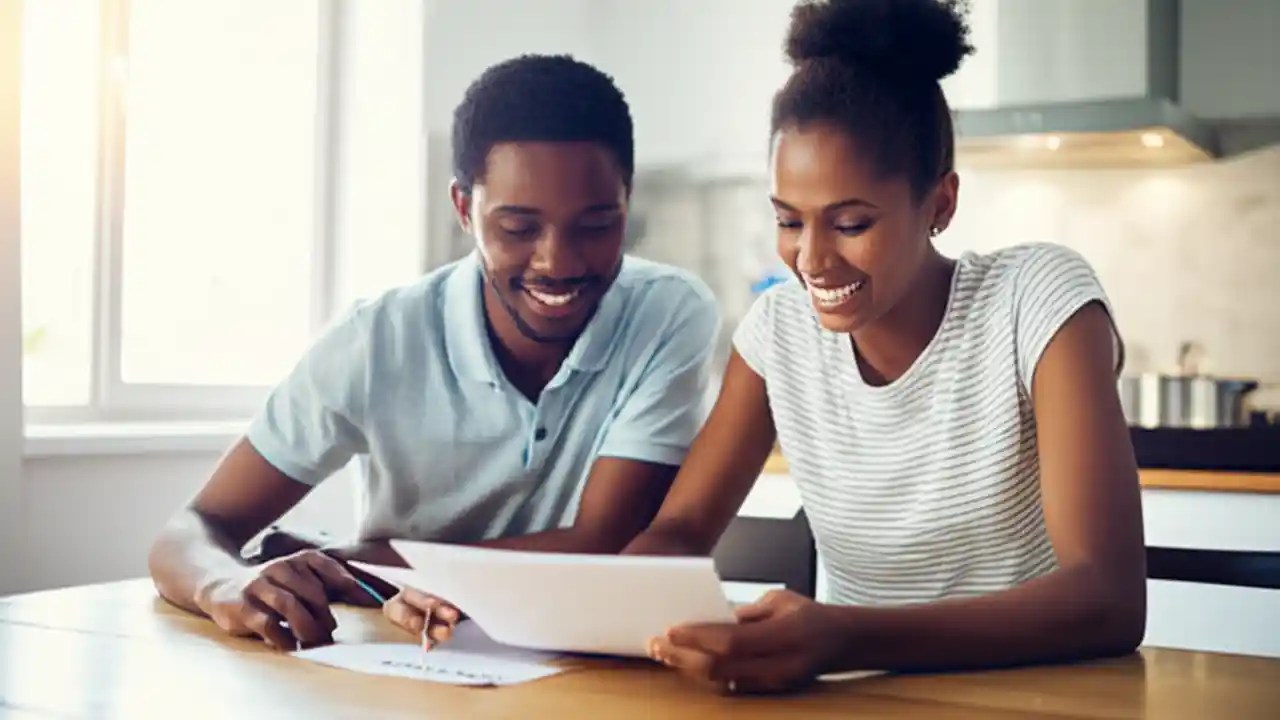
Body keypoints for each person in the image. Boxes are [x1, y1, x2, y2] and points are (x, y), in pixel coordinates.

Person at [626, 0, 1146, 694]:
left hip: (1045, 699)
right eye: (788, 220)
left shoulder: (1036, 300)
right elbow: (683, 529)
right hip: (866, 700)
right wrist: (618, 600)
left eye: (850, 223)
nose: (811, 259)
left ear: (940, 203)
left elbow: (1109, 600)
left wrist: (842, 634)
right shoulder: (777, 332)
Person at [148, 55, 721, 651]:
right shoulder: (378, 340)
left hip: (592, 664)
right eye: (519, 229)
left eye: (597, 225)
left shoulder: (669, 313)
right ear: (464, 208)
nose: (559, 262)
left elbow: (604, 541)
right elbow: (191, 530)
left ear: (628, 202)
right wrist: (226, 585)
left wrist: (354, 562)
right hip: (408, 658)